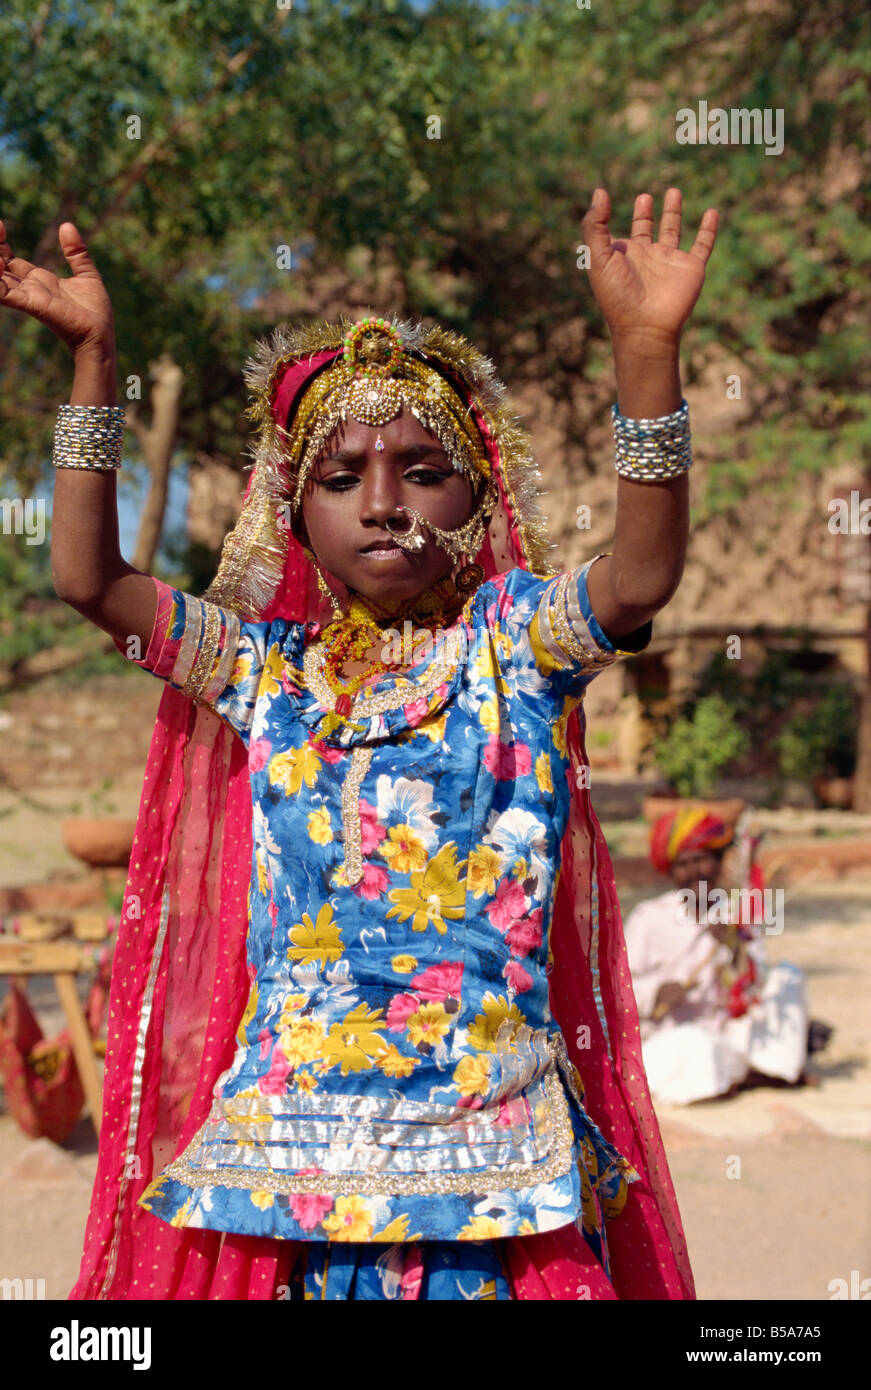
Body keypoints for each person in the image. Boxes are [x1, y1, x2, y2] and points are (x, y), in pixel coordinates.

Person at [1, 185, 719, 1300]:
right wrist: (96, 360)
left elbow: (642, 577)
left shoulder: (517, 644)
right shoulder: (264, 673)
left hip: (495, 1172)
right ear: (294, 513)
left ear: (476, 503)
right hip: (296, 1171)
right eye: (342, 478)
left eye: (422, 471)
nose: (385, 501)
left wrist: (646, 350)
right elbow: (89, 580)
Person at [623, 808, 810, 1106]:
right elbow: (614, 992)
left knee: (788, 977)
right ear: (670, 872)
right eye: (685, 864)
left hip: (727, 1030)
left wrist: (737, 947)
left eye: (703, 859)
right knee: (697, 1046)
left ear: (719, 862)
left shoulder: (734, 916)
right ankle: (746, 1073)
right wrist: (656, 992)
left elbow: (756, 985)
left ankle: (757, 1070)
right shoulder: (648, 918)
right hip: (670, 1036)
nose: (696, 871)